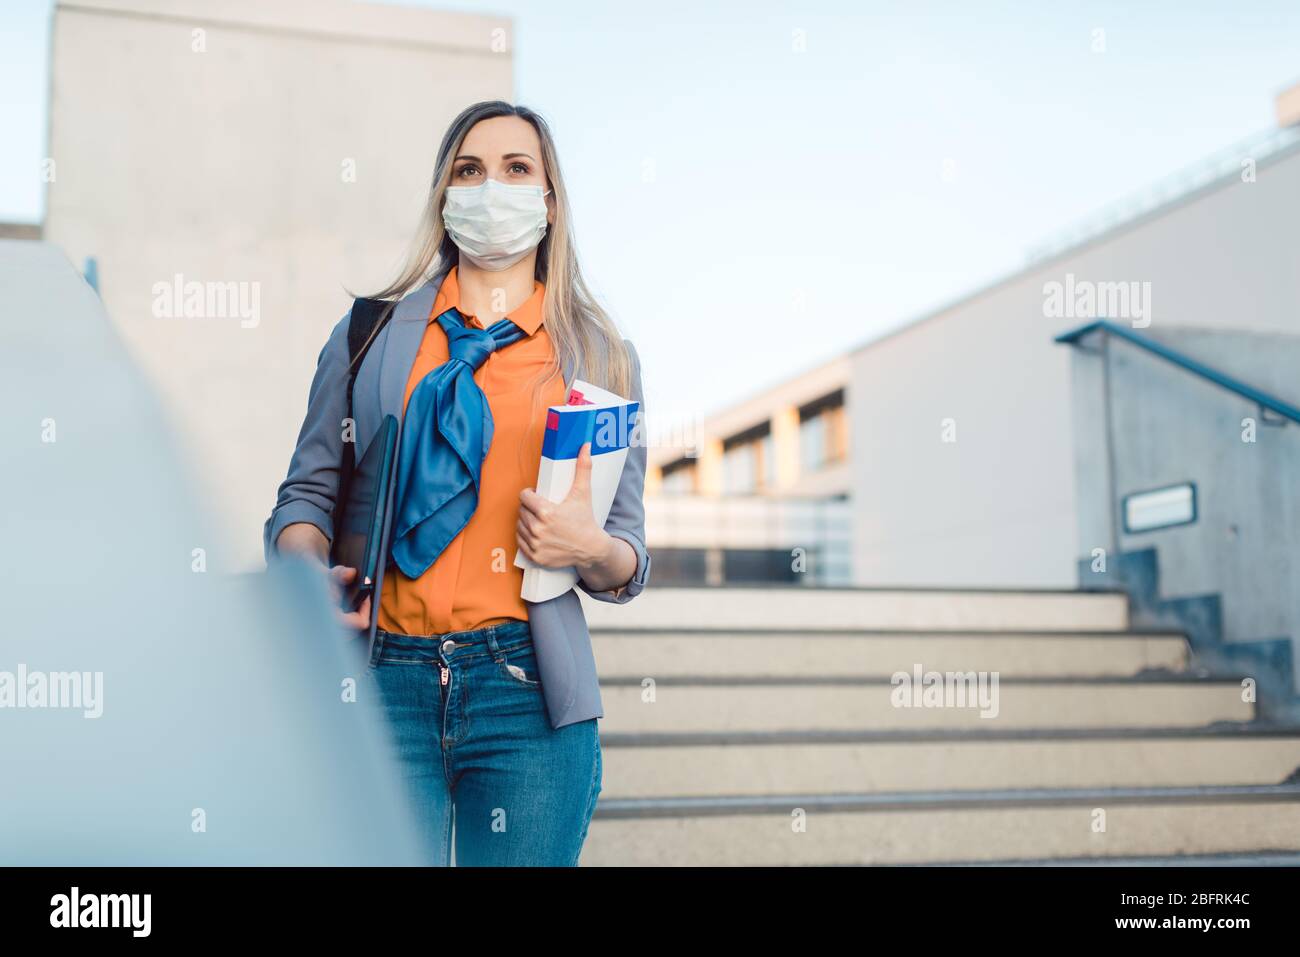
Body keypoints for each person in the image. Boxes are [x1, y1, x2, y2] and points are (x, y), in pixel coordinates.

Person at [263, 100, 651, 866]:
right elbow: (303, 499)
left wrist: (589, 546)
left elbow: (630, 555)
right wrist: (309, 571)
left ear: (548, 200)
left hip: (527, 695)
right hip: (381, 686)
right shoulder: (367, 335)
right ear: (444, 197)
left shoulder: (601, 356)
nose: (489, 188)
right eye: (468, 170)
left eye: (516, 169)